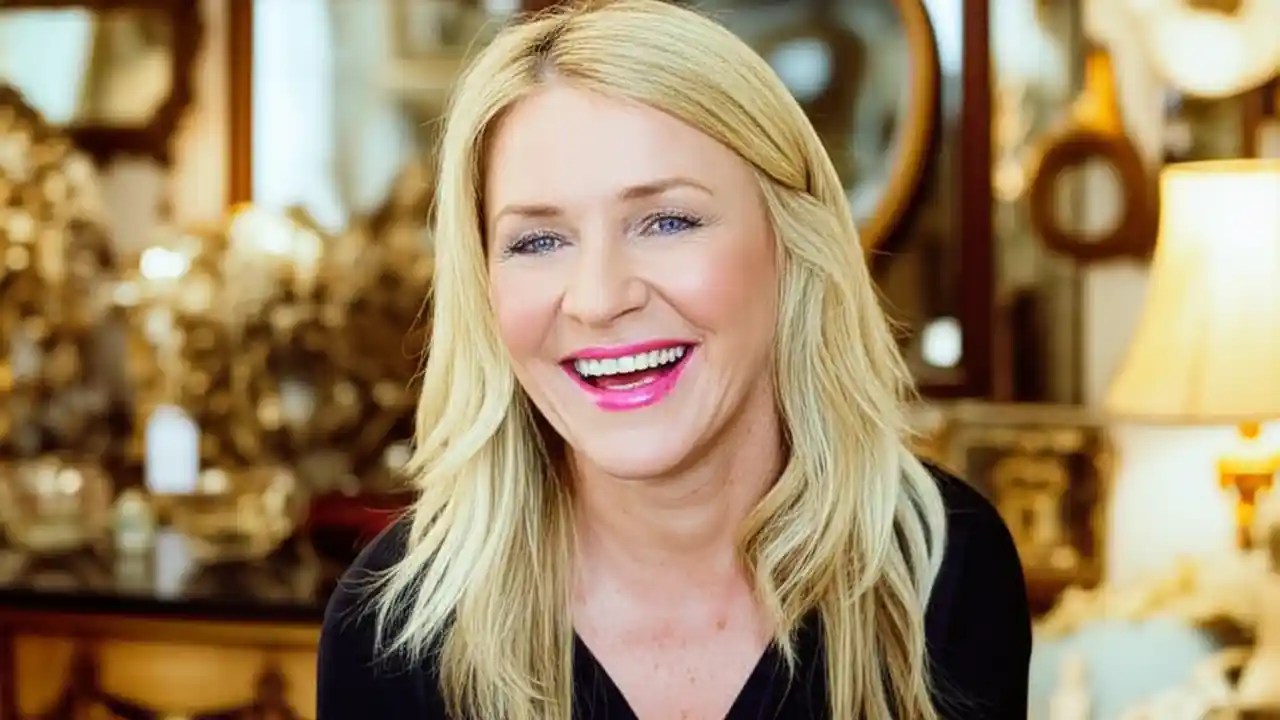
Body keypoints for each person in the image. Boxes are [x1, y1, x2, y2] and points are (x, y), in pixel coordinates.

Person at [316, 1, 1031, 718]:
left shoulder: (939, 572)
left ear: (790, 245)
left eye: (667, 222)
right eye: (537, 241)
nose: (597, 299)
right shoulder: (393, 631)